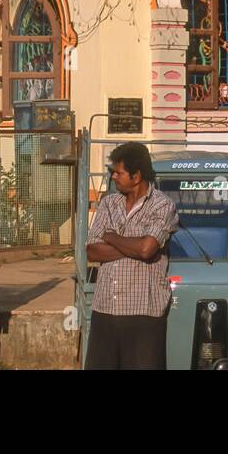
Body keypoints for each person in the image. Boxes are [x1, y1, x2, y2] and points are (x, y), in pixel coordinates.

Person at [84, 142, 178, 369]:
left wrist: (112, 237)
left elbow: (147, 249)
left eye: (119, 172)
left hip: (143, 314)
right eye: (112, 172)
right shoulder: (108, 204)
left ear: (136, 176)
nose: (114, 176)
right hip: (105, 309)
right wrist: (134, 246)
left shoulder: (162, 206)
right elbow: (92, 250)